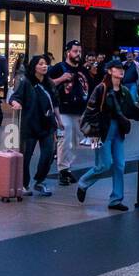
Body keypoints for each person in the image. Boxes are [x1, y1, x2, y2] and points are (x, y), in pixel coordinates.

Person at [76, 62, 139, 210]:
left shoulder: (124, 91)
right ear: (109, 71)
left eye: (122, 69)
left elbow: (132, 109)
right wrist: (94, 131)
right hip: (101, 132)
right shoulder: (101, 89)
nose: (121, 71)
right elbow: (89, 111)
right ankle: (83, 182)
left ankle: (116, 199)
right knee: (104, 165)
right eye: (117, 69)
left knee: (120, 165)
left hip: (118, 132)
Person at [8, 55, 59, 197]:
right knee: (26, 156)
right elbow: (14, 97)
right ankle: (23, 184)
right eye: (41, 64)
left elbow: (54, 103)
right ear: (34, 66)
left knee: (48, 153)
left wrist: (59, 121)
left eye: (46, 64)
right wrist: (15, 103)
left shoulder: (49, 83)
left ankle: (40, 180)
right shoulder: (26, 82)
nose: (44, 66)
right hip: (30, 125)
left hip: (47, 124)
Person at [48, 40, 90, 187]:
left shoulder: (83, 70)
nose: (78, 54)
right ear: (68, 52)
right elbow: (46, 83)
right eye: (75, 51)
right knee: (64, 140)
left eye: (79, 51)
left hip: (79, 111)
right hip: (63, 110)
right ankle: (63, 170)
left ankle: (67, 167)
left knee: (75, 141)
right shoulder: (59, 67)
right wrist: (61, 79)